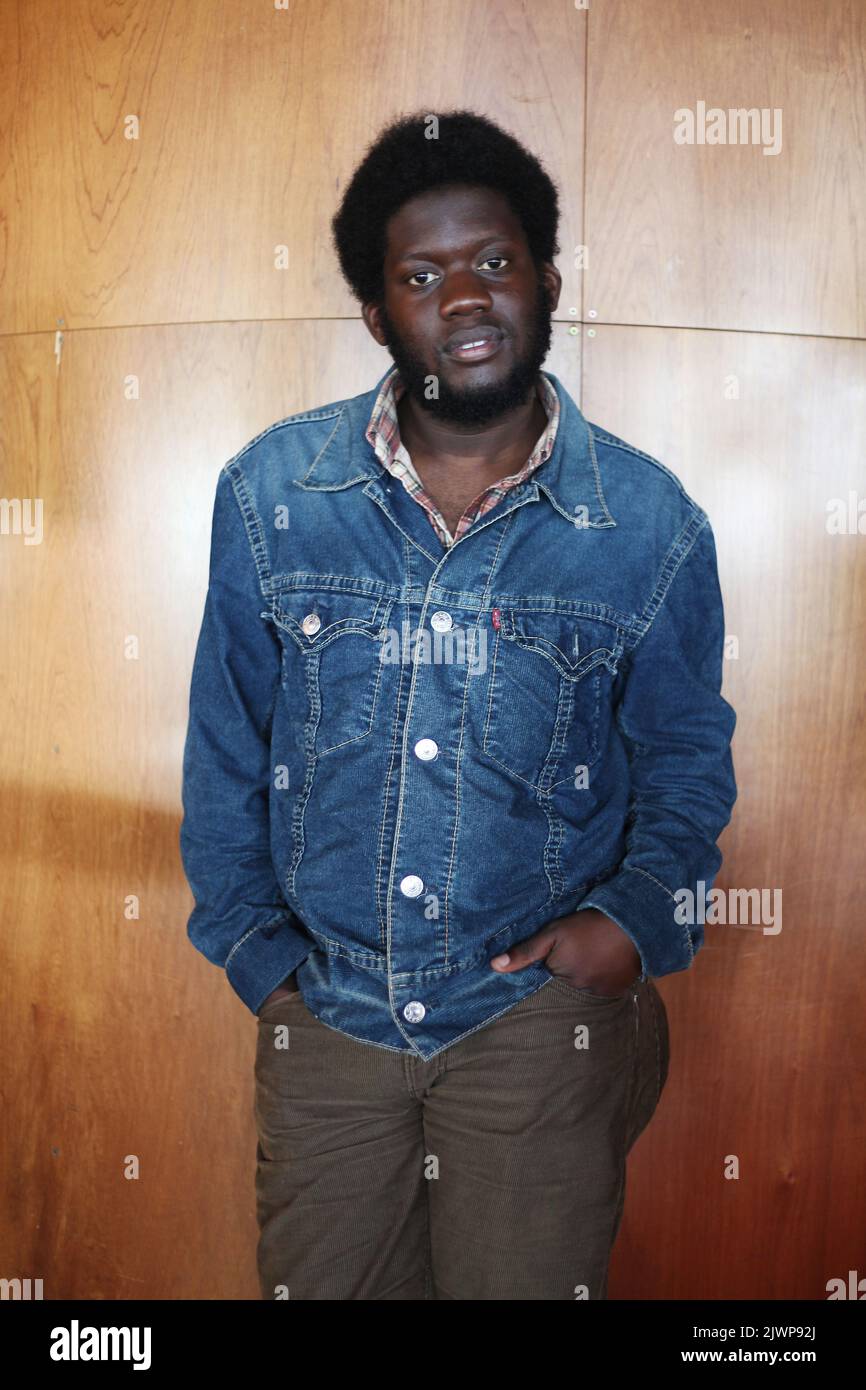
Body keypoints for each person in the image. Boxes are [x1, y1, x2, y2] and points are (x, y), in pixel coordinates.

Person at [179, 109, 737, 1300]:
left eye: (493, 261)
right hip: (326, 1014)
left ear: (545, 277)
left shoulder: (647, 525)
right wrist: (256, 957)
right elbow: (225, 743)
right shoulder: (272, 494)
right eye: (422, 275)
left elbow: (688, 765)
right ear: (381, 318)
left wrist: (633, 923)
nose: (467, 298)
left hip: (532, 1029)